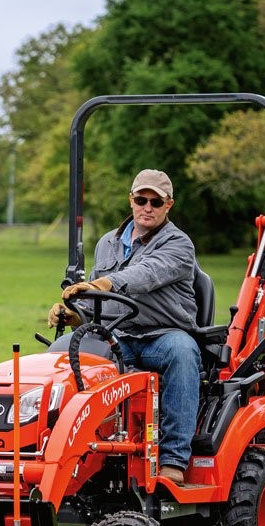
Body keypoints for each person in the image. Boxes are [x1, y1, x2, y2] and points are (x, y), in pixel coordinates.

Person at [48, 168, 203, 485]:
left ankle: (173, 459)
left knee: (183, 354)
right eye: (141, 199)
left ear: (168, 205)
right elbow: (94, 304)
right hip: (118, 334)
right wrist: (72, 314)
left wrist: (106, 282)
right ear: (131, 200)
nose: (147, 207)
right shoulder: (107, 243)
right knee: (61, 354)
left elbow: (147, 274)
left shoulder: (179, 244)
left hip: (163, 335)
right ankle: (61, 449)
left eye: (155, 202)